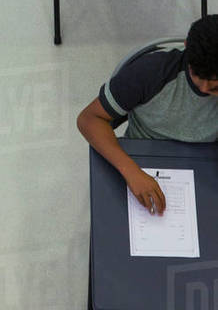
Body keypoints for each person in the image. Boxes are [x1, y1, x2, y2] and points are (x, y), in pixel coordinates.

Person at [77, 15, 218, 215]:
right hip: (142, 157)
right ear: (187, 48)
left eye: (215, 85)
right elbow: (89, 119)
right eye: (197, 75)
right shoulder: (151, 72)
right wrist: (131, 172)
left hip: (205, 162)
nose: (203, 88)